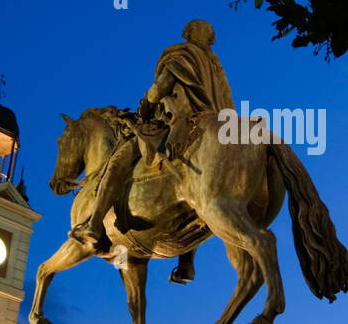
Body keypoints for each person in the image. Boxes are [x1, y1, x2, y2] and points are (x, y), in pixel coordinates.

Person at [70, 19, 235, 284]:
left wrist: (146, 105)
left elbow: (161, 87)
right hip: (217, 126)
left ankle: (94, 222)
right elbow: (229, 106)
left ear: (188, 34)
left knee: (119, 159)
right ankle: (186, 262)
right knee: (198, 187)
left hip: (180, 123)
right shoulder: (217, 66)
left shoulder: (181, 55)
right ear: (211, 39)